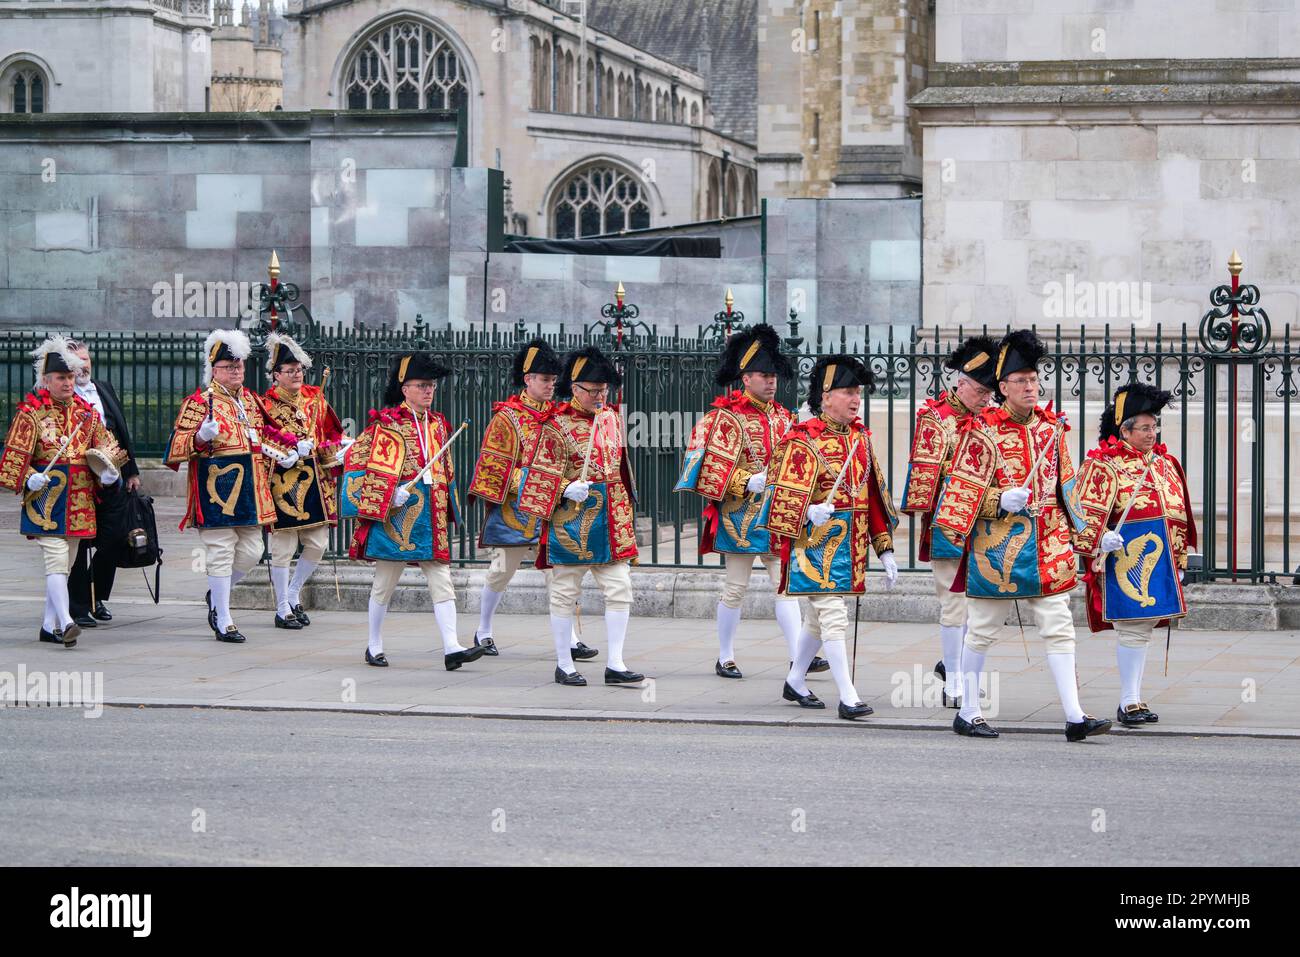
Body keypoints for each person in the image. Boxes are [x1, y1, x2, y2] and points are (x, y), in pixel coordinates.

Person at [934, 329, 1111, 742]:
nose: (1030, 387)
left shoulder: (1053, 428)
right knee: (982, 628)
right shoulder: (982, 431)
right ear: (1003, 387)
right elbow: (957, 497)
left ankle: (1074, 715)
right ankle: (969, 710)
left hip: (1048, 543)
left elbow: (1069, 488)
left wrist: (1090, 536)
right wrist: (998, 499)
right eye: (1021, 381)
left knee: (1059, 625)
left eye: (1033, 379)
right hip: (997, 549)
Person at [758, 355, 899, 720]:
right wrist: (807, 511)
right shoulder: (802, 441)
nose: (856, 399)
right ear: (826, 395)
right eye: (848, 392)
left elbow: (873, 497)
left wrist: (884, 549)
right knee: (834, 617)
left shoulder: (860, 439)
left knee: (817, 622)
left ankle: (794, 680)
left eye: (858, 393)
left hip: (849, 549)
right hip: (814, 548)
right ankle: (848, 695)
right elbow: (776, 498)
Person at [676, 323, 818, 679]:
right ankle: (725, 655)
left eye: (774, 376)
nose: (771, 382)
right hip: (738, 516)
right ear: (746, 377)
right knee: (735, 588)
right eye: (763, 375)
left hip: (776, 516)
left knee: (785, 586)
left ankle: (796, 657)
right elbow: (700, 466)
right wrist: (743, 480)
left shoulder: (786, 418)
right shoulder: (723, 419)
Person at [345, 352, 483, 670]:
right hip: (397, 514)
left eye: (431, 385)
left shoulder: (437, 425)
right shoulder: (387, 424)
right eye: (422, 385)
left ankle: (451, 647)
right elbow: (357, 463)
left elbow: (444, 470)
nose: (428, 391)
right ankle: (374, 644)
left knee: (441, 578)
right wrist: (386, 493)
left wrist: (450, 506)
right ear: (404, 388)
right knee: (385, 582)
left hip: (430, 514)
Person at [1072, 381, 1196, 727]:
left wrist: (1180, 560)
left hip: (1161, 561)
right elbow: (1081, 515)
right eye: (1144, 427)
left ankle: (1134, 698)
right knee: (1133, 628)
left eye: (1154, 426)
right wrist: (1101, 538)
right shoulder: (1104, 464)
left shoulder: (1166, 463)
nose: (1151, 433)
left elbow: (1179, 514)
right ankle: (1129, 702)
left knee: (1143, 628)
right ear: (1124, 430)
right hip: (1124, 559)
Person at [517, 346, 642, 687]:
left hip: (611, 520)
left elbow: (619, 468)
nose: (600, 396)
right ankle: (563, 663)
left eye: (604, 390)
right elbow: (536, 475)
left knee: (619, 589)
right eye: (593, 391)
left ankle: (615, 663)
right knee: (565, 591)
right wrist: (564, 488)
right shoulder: (554, 425)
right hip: (571, 520)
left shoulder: (612, 418)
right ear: (574, 389)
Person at [165, 329, 300, 643]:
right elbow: (174, 447)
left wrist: (288, 451)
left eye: (239, 366)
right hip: (217, 491)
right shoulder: (199, 403)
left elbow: (268, 433)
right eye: (229, 367)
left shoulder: (250, 400)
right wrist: (200, 437)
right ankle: (224, 618)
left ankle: (216, 594)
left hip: (252, 492)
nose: (236, 371)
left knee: (252, 552)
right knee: (221, 552)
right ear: (214, 370)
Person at [466, 338, 597, 660]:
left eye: (554, 380)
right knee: (502, 570)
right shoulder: (507, 418)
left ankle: (571, 639)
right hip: (516, 508)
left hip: (554, 509)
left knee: (560, 573)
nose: (551, 385)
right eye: (544, 379)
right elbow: (494, 468)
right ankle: (483, 629)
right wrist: (536, 483)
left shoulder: (561, 417)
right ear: (527, 380)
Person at [0, 335, 127, 647]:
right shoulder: (30, 414)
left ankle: (48, 625)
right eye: (61, 377)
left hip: (80, 498)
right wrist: (29, 477)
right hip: (46, 501)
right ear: (46, 379)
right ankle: (67, 621)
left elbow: (108, 449)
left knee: (66, 563)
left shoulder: (87, 414)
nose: (68, 382)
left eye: (71, 376)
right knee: (57, 559)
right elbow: (12, 458)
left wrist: (110, 474)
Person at [900, 334, 998, 708]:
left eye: (990, 393)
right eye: (980, 391)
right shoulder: (936, 418)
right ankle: (955, 680)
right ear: (961, 383)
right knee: (953, 600)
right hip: (949, 520)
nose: (986, 398)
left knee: (979, 602)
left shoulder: (990, 419)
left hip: (986, 519)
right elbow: (925, 473)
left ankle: (956, 665)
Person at [260, 332, 351, 629]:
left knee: (317, 543)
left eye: (299, 369)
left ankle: (293, 592)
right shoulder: (266, 405)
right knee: (283, 548)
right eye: (290, 370)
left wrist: (338, 446)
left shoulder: (316, 397)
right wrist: (288, 449)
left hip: (316, 480)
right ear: (276, 375)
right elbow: (262, 441)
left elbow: (332, 433)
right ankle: (282, 607)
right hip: (284, 481)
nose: (297, 374)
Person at [65, 339, 140, 629]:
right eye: (77, 360)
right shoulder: (63, 394)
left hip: (112, 476)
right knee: (80, 542)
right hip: (80, 479)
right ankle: (79, 605)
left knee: (114, 537)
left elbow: (121, 428)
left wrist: (131, 470)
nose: (84, 365)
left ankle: (98, 595)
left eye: (86, 359)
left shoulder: (103, 388)